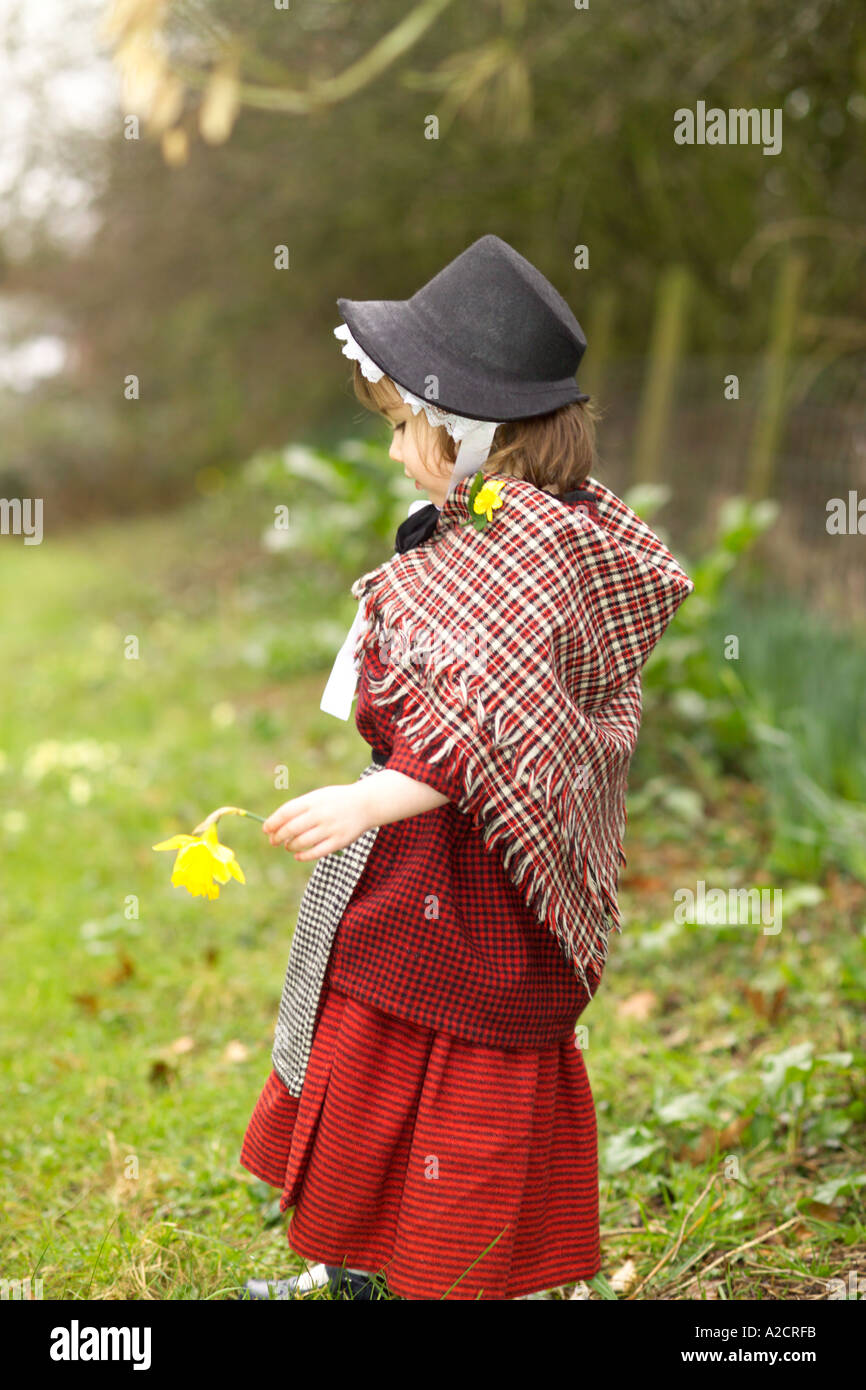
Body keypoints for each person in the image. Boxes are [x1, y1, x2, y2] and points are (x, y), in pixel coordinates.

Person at [237, 234, 694, 1301]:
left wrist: (371, 797)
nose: (398, 447)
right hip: (416, 868)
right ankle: (356, 1251)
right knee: (374, 1030)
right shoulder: (482, 523)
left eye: (407, 424)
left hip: (483, 875)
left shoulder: (532, 540)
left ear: (474, 427)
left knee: (466, 1057)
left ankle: (467, 1266)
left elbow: (506, 711)